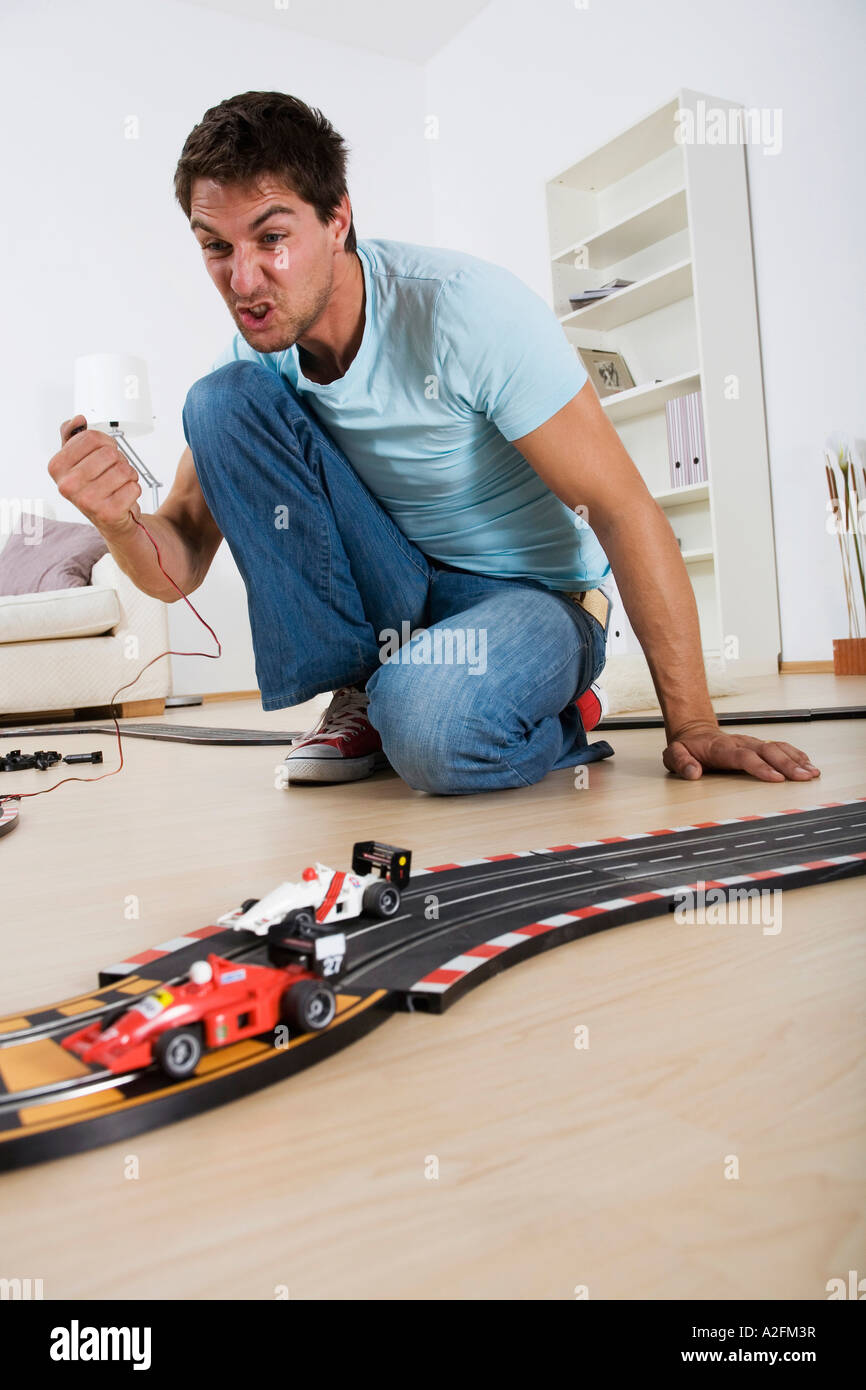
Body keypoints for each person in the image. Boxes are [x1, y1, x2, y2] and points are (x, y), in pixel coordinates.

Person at [49, 91, 820, 795]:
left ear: (338, 219)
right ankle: (362, 692)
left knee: (432, 736)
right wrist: (118, 519)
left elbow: (623, 510)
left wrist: (693, 726)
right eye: (216, 246)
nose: (244, 279)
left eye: (272, 237)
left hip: (535, 599)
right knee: (215, 404)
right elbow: (182, 554)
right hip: (404, 588)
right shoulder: (249, 363)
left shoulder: (464, 313)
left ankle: (556, 712)